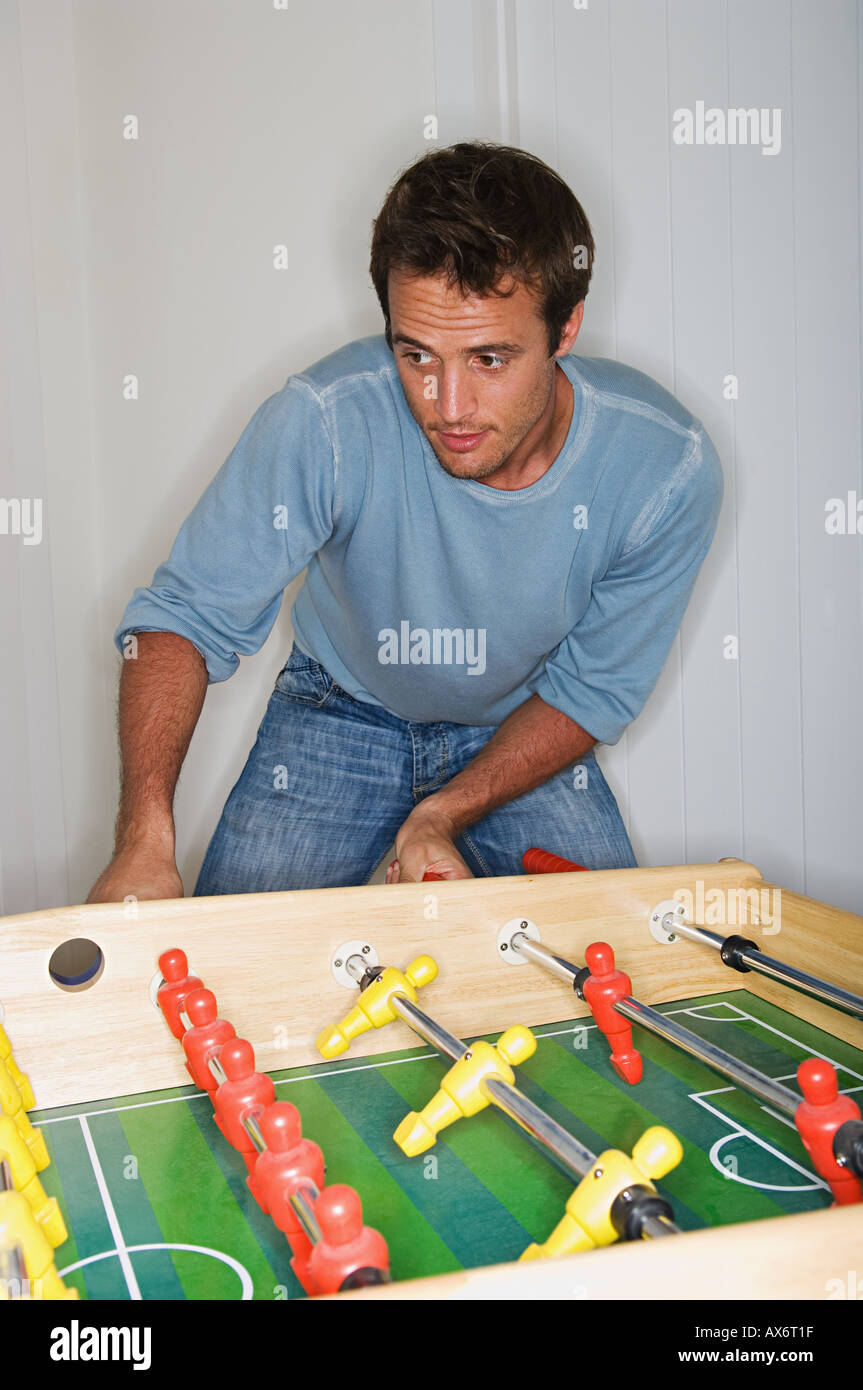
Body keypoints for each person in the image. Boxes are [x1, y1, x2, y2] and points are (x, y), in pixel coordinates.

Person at [87, 142, 723, 904]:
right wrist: (142, 839)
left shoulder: (664, 469)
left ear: (565, 330)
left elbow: (589, 693)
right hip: (334, 710)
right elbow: (183, 619)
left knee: (611, 969)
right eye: (415, 353)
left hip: (519, 720)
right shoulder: (323, 419)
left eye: (489, 358)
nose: (444, 406)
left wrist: (443, 813)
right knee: (235, 979)